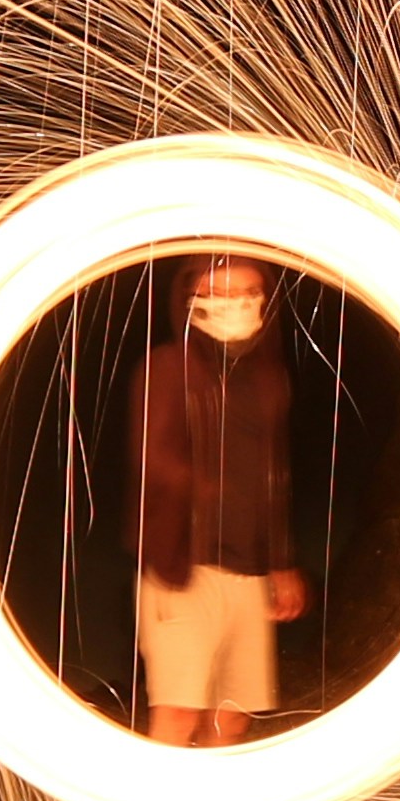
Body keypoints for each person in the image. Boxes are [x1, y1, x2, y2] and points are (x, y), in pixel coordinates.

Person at [132, 256, 306, 744]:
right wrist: (212, 489)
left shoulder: (269, 379)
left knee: (231, 715)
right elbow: (153, 458)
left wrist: (281, 563)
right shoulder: (167, 368)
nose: (234, 304)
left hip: (248, 575)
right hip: (184, 567)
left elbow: (275, 475)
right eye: (220, 292)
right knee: (178, 712)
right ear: (193, 300)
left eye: (247, 293)